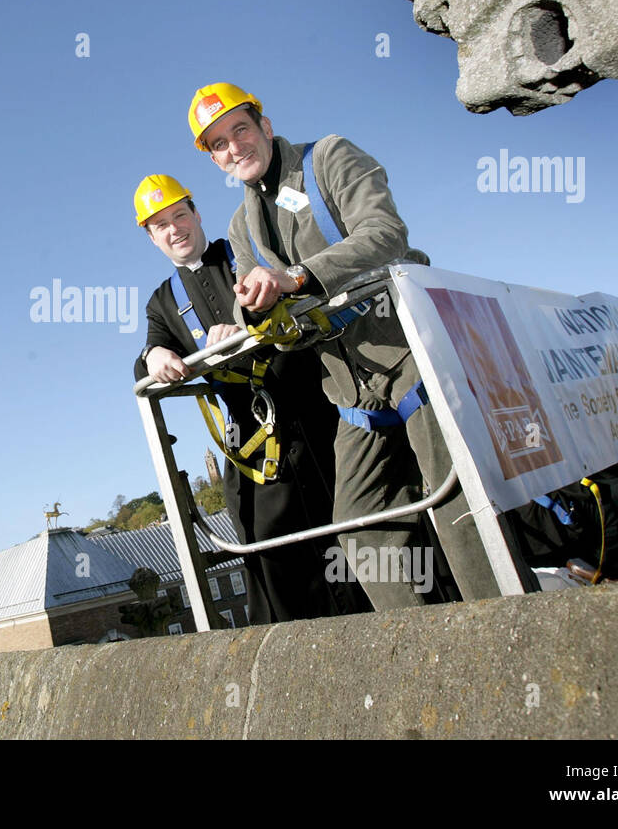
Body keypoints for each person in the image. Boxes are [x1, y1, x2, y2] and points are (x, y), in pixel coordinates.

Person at [186, 82, 502, 609]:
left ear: (265, 126)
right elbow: (251, 295)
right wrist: (247, 309)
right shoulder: (241, 225)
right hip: (349, 388)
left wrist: (297, 276)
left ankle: (501, 629)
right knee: (359, 524)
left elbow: (385, 232)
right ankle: (418, 646)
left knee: (456, 502)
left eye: (240, 129)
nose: (234, 147)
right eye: (219, 143)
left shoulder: (328, 157)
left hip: (407, 351)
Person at [132, 174, 367, 623]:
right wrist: (154, 353)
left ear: (197, 214)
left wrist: (248, 318)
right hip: (250, 441)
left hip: (310, 410)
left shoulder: (242, 253)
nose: (175, 229)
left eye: (180, 215)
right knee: (261, 545)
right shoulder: (163, 302)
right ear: (152, 237)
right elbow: (145, 359)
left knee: (344, 527)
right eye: (161, 224)